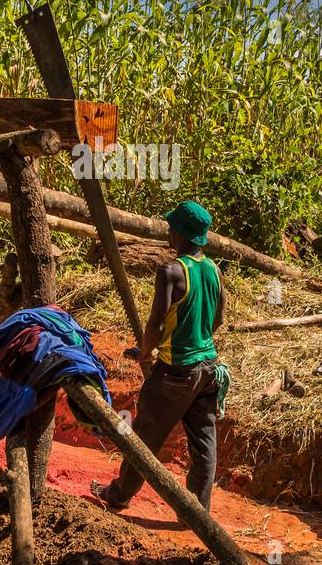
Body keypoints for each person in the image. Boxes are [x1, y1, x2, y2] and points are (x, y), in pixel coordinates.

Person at [93, 200, 227, 512]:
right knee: (204, 445)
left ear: (180, 235)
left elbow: (155, 323)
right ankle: (196, 512)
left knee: (144, 438)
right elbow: (218, 319)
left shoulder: (171, 272)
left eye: (172, 228)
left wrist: (146, 351)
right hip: (209, 369)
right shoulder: (215, 271)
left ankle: (118, 496)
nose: (168, 232)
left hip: (175, 372)